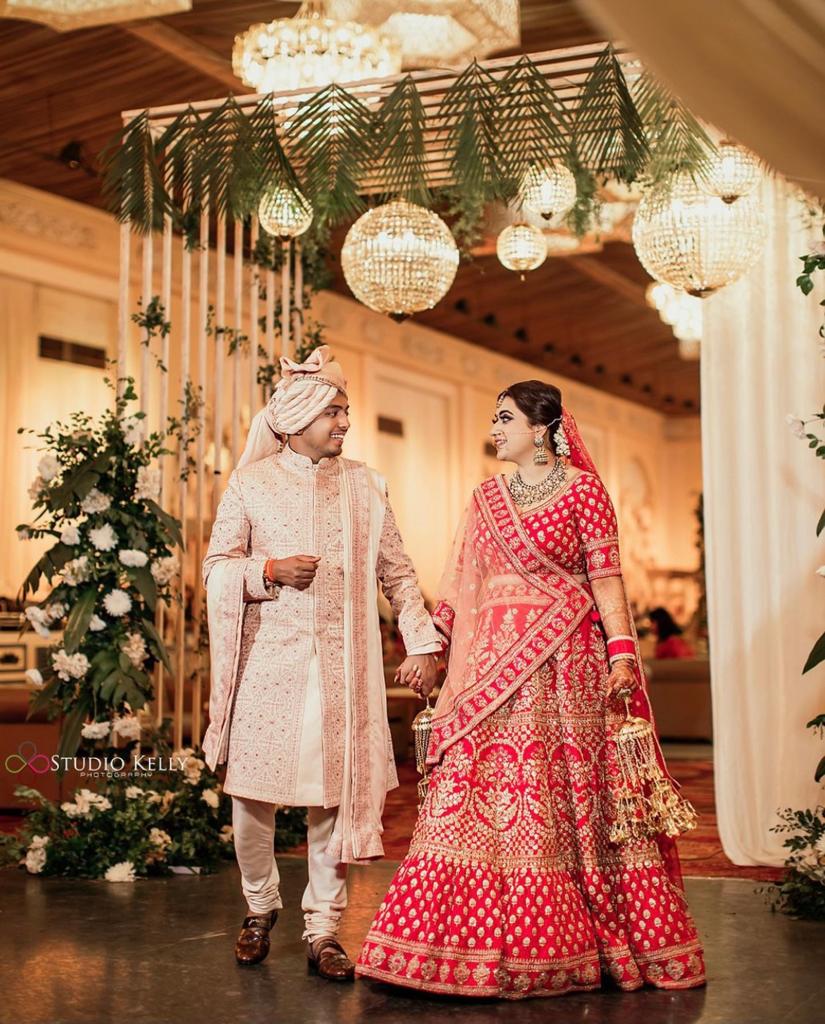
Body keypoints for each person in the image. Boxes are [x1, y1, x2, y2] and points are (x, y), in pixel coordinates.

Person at [357, 380, 705, 999]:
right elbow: (460, 584)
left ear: (540, 428)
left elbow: (606, 580)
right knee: (474, 794)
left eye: (504, 418)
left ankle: (560, 942)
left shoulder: (584, 491)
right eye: (494, 419)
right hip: (489, 671)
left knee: (558, 798)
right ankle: (444, 948)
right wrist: (432, 648)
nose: (494, 430)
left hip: (567, 666)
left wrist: (623, 653)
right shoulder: (485, 498)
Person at [201, 346, 440, 980]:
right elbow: (216, 567)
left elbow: (399, 573)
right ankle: (259, 908)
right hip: (267, 670)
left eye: (345, 411)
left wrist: (421, 642)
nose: (345, 422)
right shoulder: (251, 484)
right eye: (334, 411)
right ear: (297, 415)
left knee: (334, 798)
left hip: (344, 673)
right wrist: (268, 571)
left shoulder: (366, 485)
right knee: (251, 799)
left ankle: (324, 928)